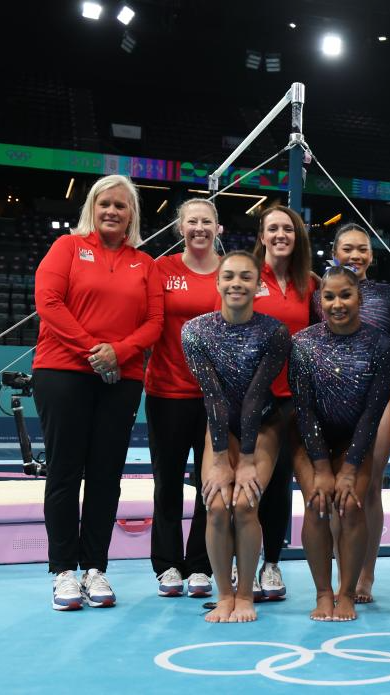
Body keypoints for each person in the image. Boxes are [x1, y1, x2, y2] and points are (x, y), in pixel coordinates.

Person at [33, 174, 164, 611]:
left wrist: (120, 352)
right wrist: (94, 351)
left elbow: (154, 323)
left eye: (121, 206)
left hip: (120, 379)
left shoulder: (143, 263)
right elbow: (49, 303)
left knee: (107, 475)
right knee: (65, 471)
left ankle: (95, 567)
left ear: (132, 215)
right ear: (92, 206)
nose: (112, 211)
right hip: (63, 370)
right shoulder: (67, 248)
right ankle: (63, 570)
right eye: (105, 203)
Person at [181, 251, 291, 623]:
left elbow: (257, 395)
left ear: (259, 286)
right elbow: (212, 397)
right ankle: (224, 595)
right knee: (214, 505)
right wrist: (218, 460)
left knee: (245, 503)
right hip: (220, 423)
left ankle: (246, 595)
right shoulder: (195, 331)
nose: (236, 284)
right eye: (229, 277)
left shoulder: (274, 332)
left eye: (246, 277)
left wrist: (244, 460)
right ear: (217, 282)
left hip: (264, 423)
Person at [290, 265, 390, 621]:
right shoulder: (303, 345)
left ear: (360, 298)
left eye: (345, 295)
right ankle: (324, 593)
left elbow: (371, 414)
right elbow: (303, 411)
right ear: (320, 301)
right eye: (329, 296)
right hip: (312, 440)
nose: (338, 303)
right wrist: (321, 468)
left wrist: (349, 468)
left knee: (351, 504)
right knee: (318, 502)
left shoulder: (382, 346)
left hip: (355, 439)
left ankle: (347, 592)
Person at [314, 223, 390, 604]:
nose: (355, 256)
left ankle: (366, 575)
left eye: (362, 249)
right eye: (347, 248)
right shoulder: (324, 290)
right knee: (336, 486)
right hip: (332, 396)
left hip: (378, 398)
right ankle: (340, 568)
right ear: (335, 251)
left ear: (371, 255)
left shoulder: (389, 294)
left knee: (370, 487)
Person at [144, 198, 220, 599]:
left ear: (218, 229)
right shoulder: (162, 269)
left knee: (209, 483)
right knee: (167, 482)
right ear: (181, 227)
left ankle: (200, 563)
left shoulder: (229, 273)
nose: (200, 228)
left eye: (207, 221)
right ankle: (167, 564)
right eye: (192, 221)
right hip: (166, 391)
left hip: (214, 398)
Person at [250, 205, 318, 600]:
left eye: (288, 229)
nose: (280, 235)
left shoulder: (308, 283)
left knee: (279, 487)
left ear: (297, 237)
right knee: (250, 483)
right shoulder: (245, 274)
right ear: (261, 235)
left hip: (294, 399)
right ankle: (243, 563)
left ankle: (272, 564)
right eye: (273, 228)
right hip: (253, 398)